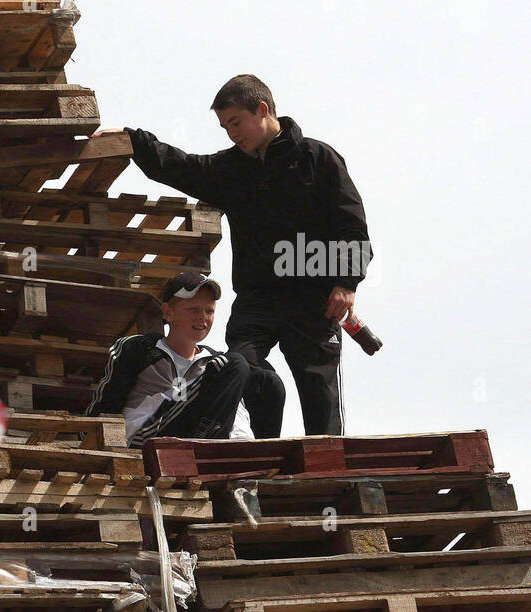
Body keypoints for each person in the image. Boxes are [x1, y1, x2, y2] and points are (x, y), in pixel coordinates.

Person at [105, 74, 372, 436]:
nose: (231, 133)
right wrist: (133, 141)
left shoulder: (317, 158)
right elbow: (181, 166)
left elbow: (351, 224)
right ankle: (261, 455)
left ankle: (329, 467)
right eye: (224, 126)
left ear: (261, 110)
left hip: (315, 299)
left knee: (318, 392)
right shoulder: (230, 169)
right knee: (243, 368)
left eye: (235, 122)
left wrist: (346, 282)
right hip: (257, 298)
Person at [87, 271, 285, 448]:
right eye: (193, 309)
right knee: (235, 364)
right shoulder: (140, 349)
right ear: (168, 312)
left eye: (209, 311)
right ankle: (200, 449)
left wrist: (246, 446)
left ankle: (258, 458)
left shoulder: (213, 361)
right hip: (149, 441)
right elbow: (105, 404)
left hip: (206, 434)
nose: (203, 318)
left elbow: (237, 416)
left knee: (267, 382)